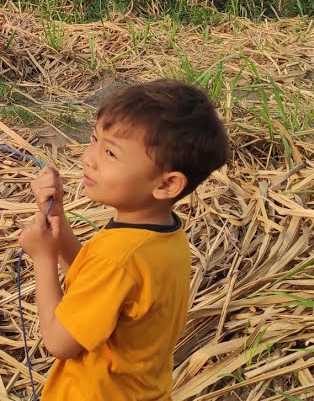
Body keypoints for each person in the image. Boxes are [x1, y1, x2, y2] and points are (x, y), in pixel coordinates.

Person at [18, 79, 231, 400]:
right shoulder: (161, 234)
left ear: (166, 184)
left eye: (110, 152)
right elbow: (96, 283)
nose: (89, 157)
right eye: (94, 139)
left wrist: (43, 259)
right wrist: (57, 220)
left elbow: (59, 342)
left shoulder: (119, 256)